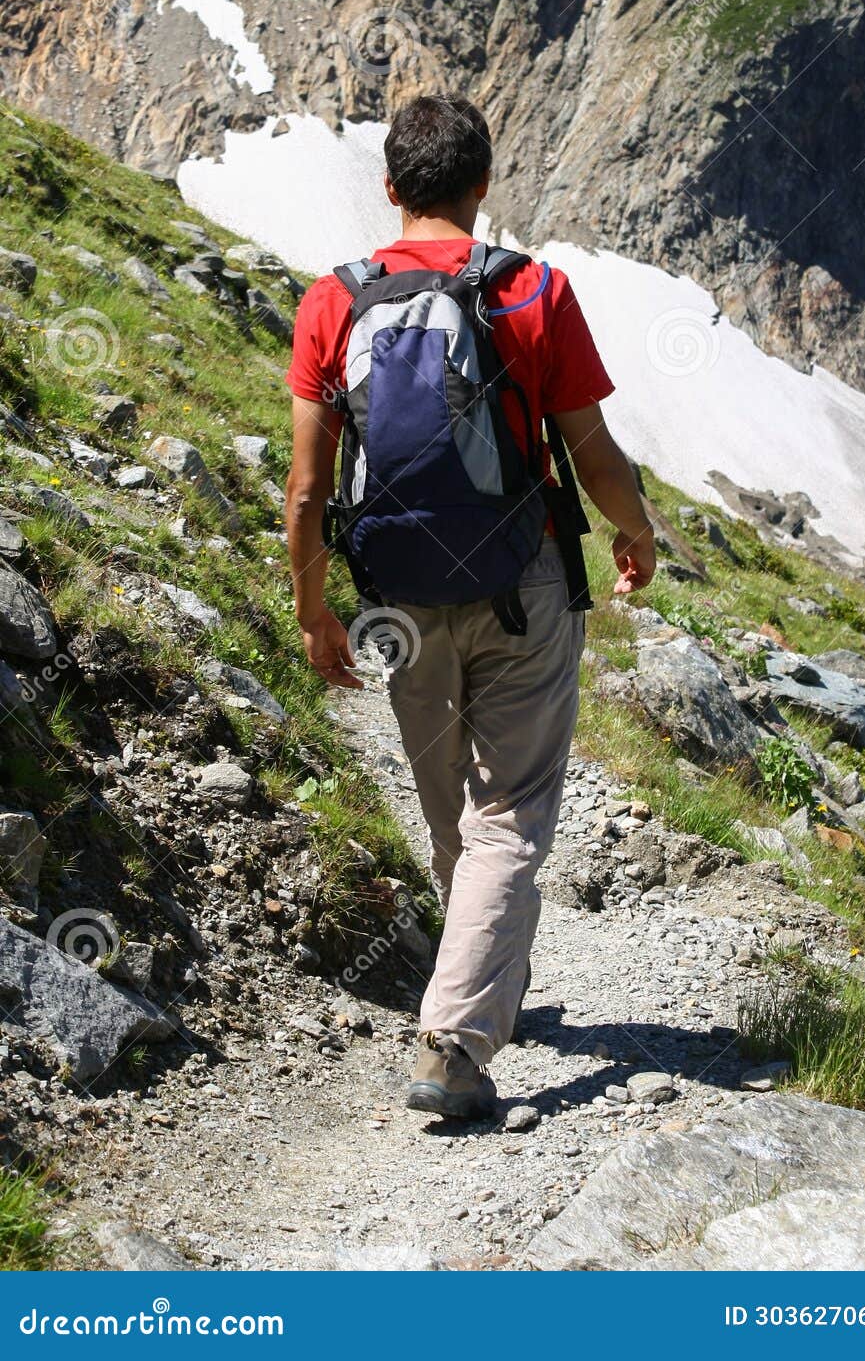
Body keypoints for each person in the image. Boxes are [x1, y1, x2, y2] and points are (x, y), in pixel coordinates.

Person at [285, 93, 655, 1117]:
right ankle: (451, 1039)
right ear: (482, 184)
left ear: (391, 188)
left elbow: (310, 488)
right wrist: (634, 530)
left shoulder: (333, 303)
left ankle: (476, 986)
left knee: (452, 802)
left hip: (397, 592)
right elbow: (586, 448)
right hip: (521, 578)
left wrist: (314, 608)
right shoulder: (531, 290)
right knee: (509, 810)